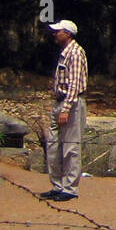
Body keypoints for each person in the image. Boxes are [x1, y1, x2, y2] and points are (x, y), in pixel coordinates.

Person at [40, 19, 87, 201]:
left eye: (58, 31)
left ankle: (69, 188)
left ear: (67, 33)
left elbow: (74, 84)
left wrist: (66, 109)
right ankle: (58, 185)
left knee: (70, 147)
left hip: (71, 103)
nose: (54, 33)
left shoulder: (75, 53)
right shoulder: (64, 53)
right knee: (54, 145)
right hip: (60, 102)